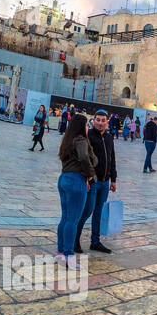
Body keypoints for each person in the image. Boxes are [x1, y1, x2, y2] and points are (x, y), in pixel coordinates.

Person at [56, 113, 96, 270]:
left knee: (65, 218)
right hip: (75, 180)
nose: (88, 127)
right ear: (82, 126)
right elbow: (85, 159)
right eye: (86, 125)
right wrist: (90, 175)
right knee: (72, 220)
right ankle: (69, 255)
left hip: (64, 178)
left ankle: (61, 252)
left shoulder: (67, 140)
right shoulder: (80, 140)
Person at [75, 110, 117, 255]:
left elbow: (112, 159)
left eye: (103, 120)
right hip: (93, 181)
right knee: (86, 211)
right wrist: (87, 178)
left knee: (98, 213)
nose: (100, 123)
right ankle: (75, 240)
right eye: (97, 120)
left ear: (107, 121)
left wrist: (114, 179)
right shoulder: (89, 136)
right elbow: (84, 159)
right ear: (94, 121)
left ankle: (95, 242)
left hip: (105, 183)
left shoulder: (109, 137)